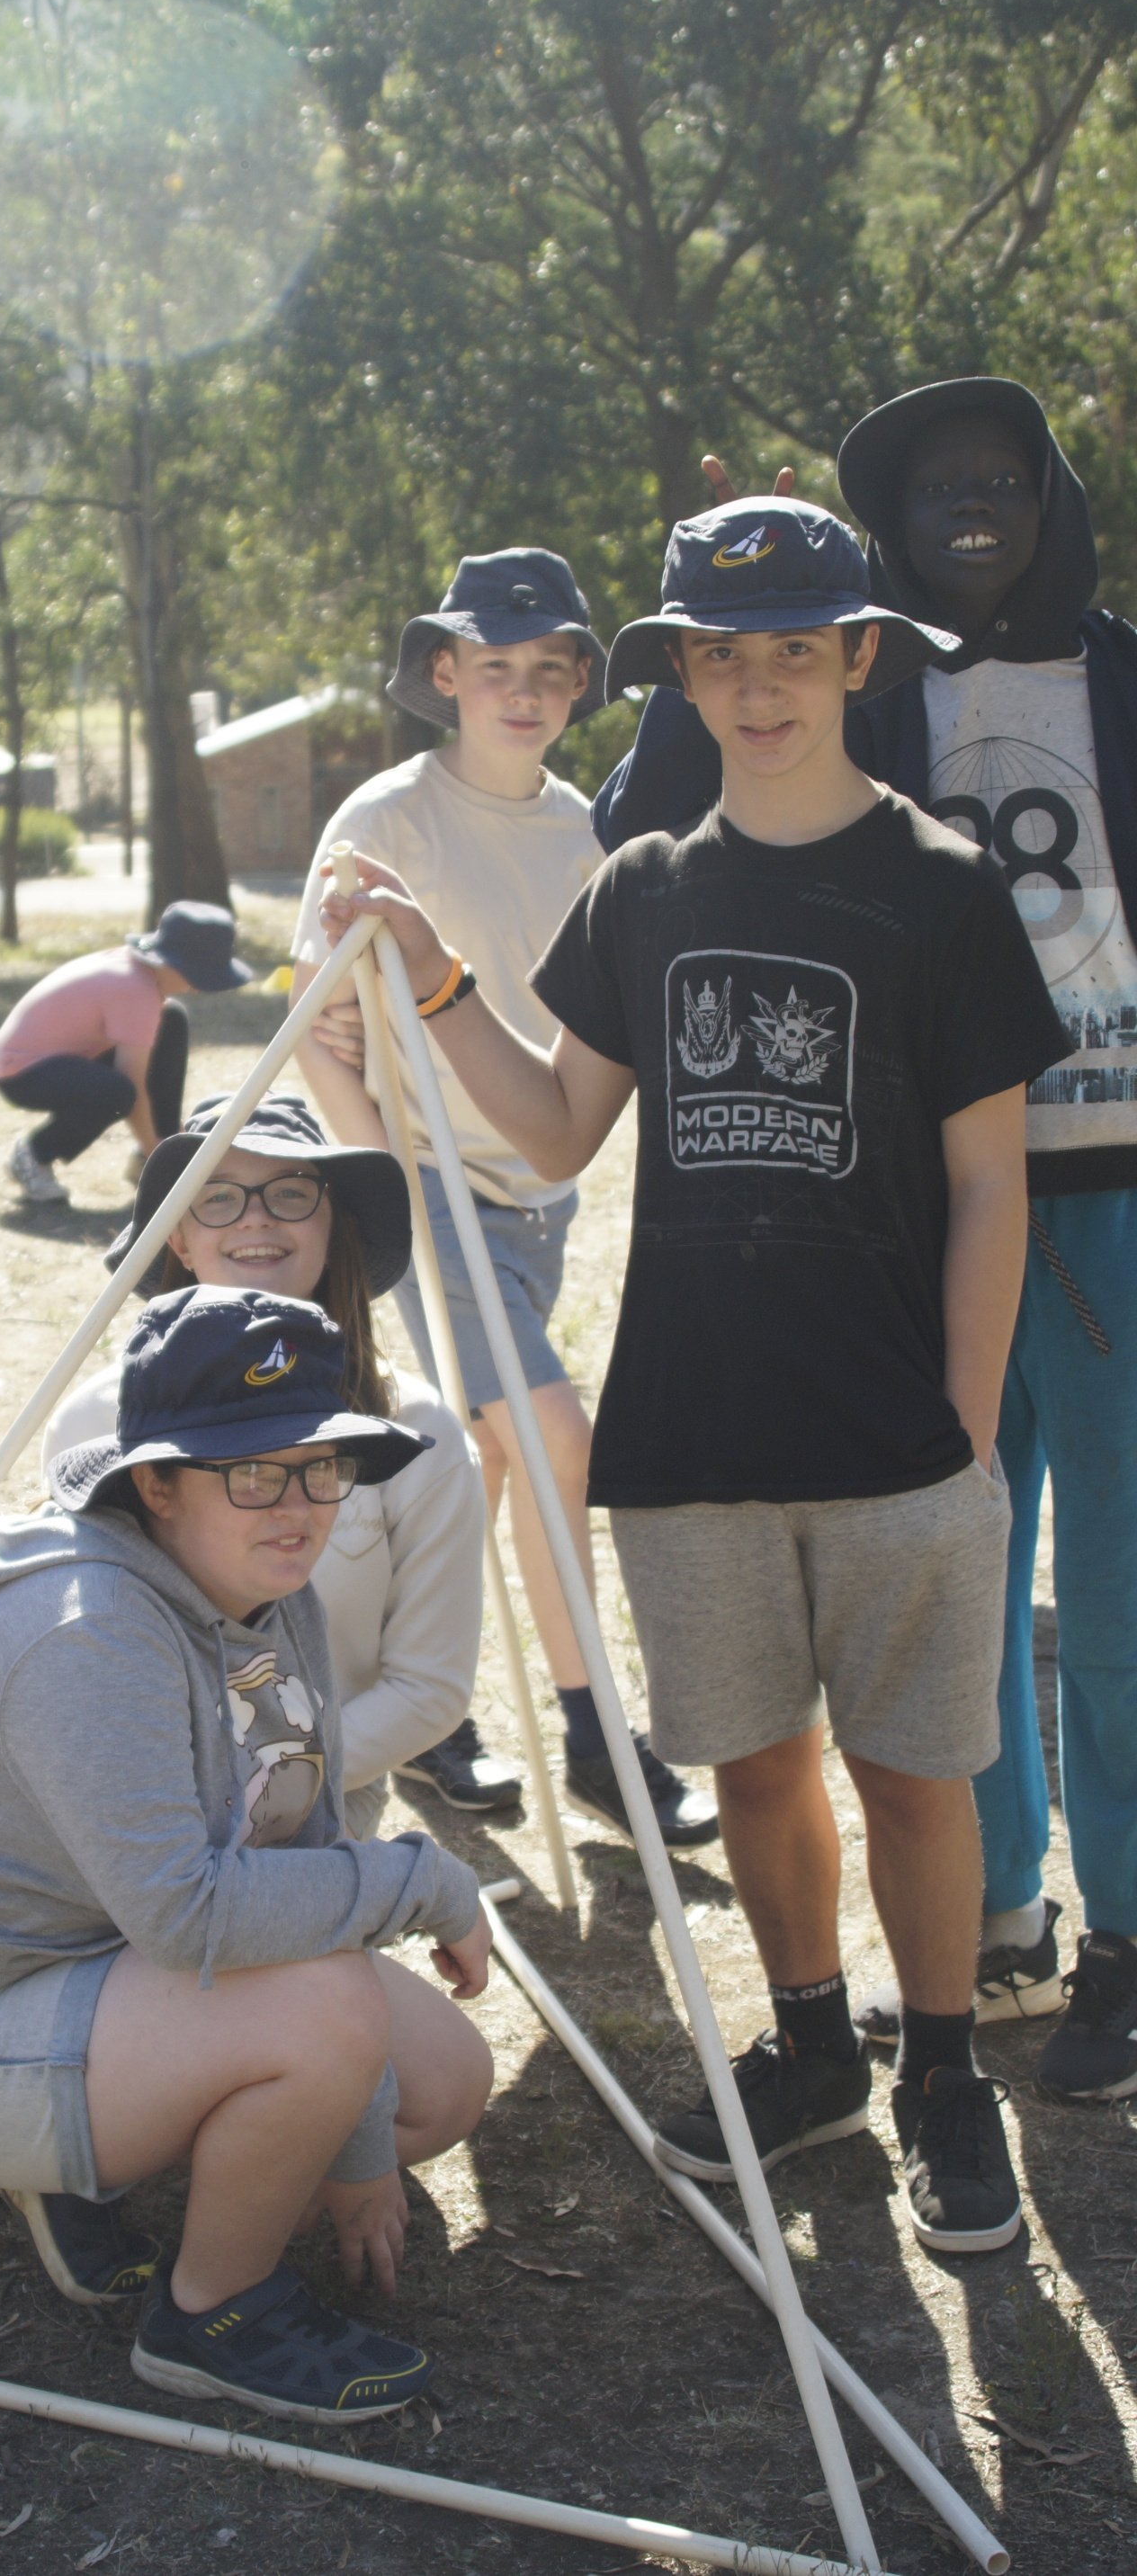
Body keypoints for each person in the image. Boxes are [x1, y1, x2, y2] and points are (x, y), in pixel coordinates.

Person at [321, 496, 1073, 2254]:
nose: (759, 686)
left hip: (898, 1428)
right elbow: (554, 1126)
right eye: (721, 657)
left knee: (916, 1774)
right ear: (680, 674)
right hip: (693, 1425)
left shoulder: (943, 887)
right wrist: (437, 981)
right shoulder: (645, 887)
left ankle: (944, 2073)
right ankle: (812, 2046)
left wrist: (967, 1429)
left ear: (859, 655)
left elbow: (990, 1182)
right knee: (754, 1768)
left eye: (796, 648)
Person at [596, 385, 1137, 2106]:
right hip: (912, 1206)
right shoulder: (843, 691)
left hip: (1112, 1182)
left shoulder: (1117, 674)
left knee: (1111, 1593)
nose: (973, 504)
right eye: (934, 486)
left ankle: (1127, 1943)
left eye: (1003, 477)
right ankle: (994, 1921)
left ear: (1054, 499)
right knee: (957, 1596)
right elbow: (648, 835)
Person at [0, 1286, 494, 2422]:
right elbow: (192, 1917)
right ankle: (211, 2312)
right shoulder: (87, 1627)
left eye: (320, 1467)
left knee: (441, 2086)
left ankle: (102, 2165)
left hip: (111, 1966)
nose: (299, 1507)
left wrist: (359, 2146)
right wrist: (424, 1881)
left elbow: (306, 1852)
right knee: (325, 2015)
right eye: (254, 1472)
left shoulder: (274, 1595)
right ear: (157, 1484)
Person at [290, 546, 717, 1847]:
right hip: (424, 1189)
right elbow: (317, 1030)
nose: (521, 692)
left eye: (549, 669)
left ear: (582, 683)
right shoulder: (383, 820)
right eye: (493, 668)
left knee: (479, 1458)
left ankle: (425, 1715)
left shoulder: (591, 834)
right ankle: (598, 1742)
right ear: (444, 674)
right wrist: (381, 1191)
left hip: (539, 1201)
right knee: (552, 1441)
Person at [42, 1092, 487, 1838]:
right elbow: (74, 1655)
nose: (255, 1218)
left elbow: (428, 1688)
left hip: (323, 1802)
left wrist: (265, 1785)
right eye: (218, 1196)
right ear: (179, 1236)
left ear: (334, 1227)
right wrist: (156, 1789)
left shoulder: (419, 1434)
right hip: (129, 1797)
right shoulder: (92, 1426)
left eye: (291, 1192)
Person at [0, 901, 253, 1206]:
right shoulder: (135, 989)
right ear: (169, 963)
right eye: (199, 976)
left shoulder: (139, 972)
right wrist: (157, 1156)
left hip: (56, 1061)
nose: (198, 988)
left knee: (171, 1020)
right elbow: (133, 1087)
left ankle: (164, 1144)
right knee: (117, 1093)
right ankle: (34, 1155)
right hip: (20, 1073)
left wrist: (162, 1139)